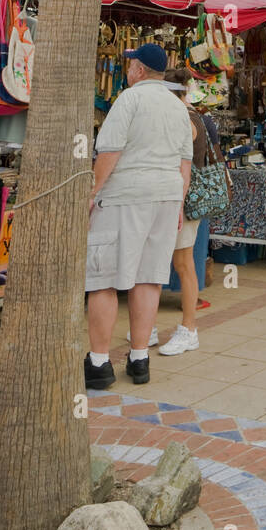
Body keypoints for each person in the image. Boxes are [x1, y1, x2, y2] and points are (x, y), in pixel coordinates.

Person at [85, 43, 193, 389]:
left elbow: (109, 151)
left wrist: (93, 192)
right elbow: (184, 163)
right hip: (166, 194)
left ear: (140, 70)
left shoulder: (128, 99)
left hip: (125, 196)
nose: (127, 69)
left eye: (130, 64)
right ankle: (139, 358)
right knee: (149, 277)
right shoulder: (179, 108)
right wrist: (178, 203)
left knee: (103, 277)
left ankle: (100, 363)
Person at [156, 69, 211, 355]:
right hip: (176, 200)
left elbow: (182, 166)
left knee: (183, 263)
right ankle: (149, 327)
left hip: (184, 202)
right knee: (169, 262)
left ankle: (189, 329)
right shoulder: (191, 115)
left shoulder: (185, 119)